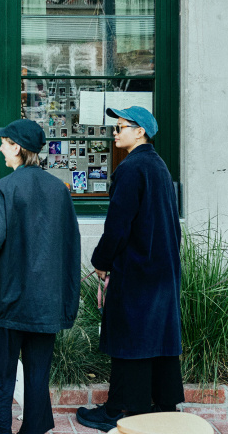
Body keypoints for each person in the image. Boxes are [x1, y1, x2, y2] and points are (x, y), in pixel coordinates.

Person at [0, 119, 81, 434]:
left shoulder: (4, 188)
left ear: (18, 148)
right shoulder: (59, 190)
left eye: (4, 142)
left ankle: (0, 430)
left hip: (9, 300)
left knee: (0, 376)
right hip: (47, 301)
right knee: (37, 375)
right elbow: (71, 246)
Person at [76, 106, 184, 432]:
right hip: (162, 272)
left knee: (130, 342)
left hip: (137, 272)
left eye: (121, 126)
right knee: (153, 343)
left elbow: (118, 226)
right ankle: (143, 407)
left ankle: (126, 413)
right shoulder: (159, 167)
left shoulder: (131, 169)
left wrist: (101, 263)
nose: (115, 132)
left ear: (141, 132)